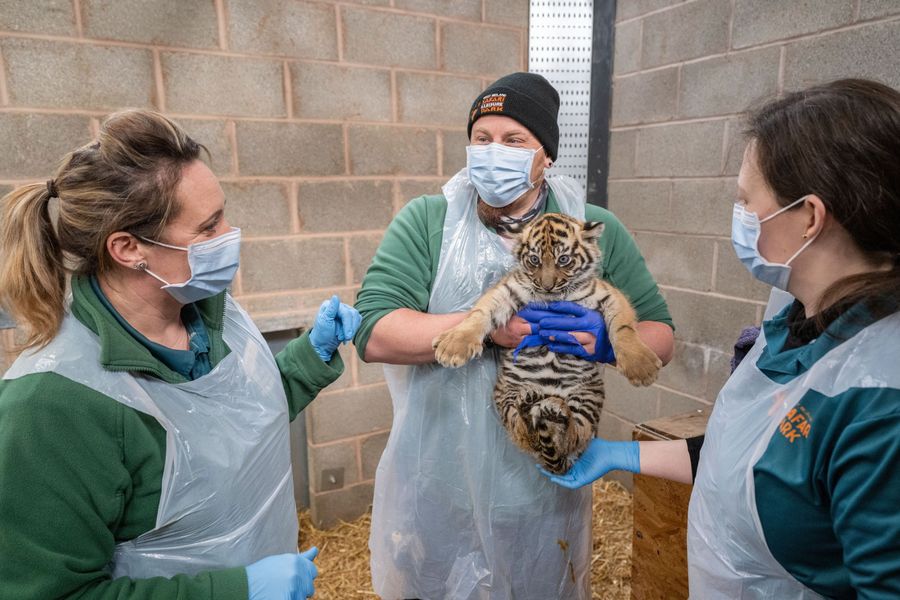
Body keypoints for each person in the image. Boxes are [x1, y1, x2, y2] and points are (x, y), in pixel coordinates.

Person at [541, 79, 900, 598]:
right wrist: (617, 455)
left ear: (809, 218)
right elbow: (756, 455)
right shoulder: (798, 316)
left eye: (746, 201)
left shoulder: (879, 402)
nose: (740, 218)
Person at [0, 109, 361, 599]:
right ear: (128, 248)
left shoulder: (206, 311)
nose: (230, 235)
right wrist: (237, 591)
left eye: (223, 215)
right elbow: (54, 593)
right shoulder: (53, 405)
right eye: (208, 228)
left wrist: (309, 357)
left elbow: (229, 429)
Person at [354, 72, 674, 599]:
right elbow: (375, 333)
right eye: (482, 138)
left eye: (514, 140)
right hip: (440, 482)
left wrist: (610, 339)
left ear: (545, 156)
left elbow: (661, 335)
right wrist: (483, 329)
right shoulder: (429, 221)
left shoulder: (591, 227)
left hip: (543, 487)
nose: (492, 152)